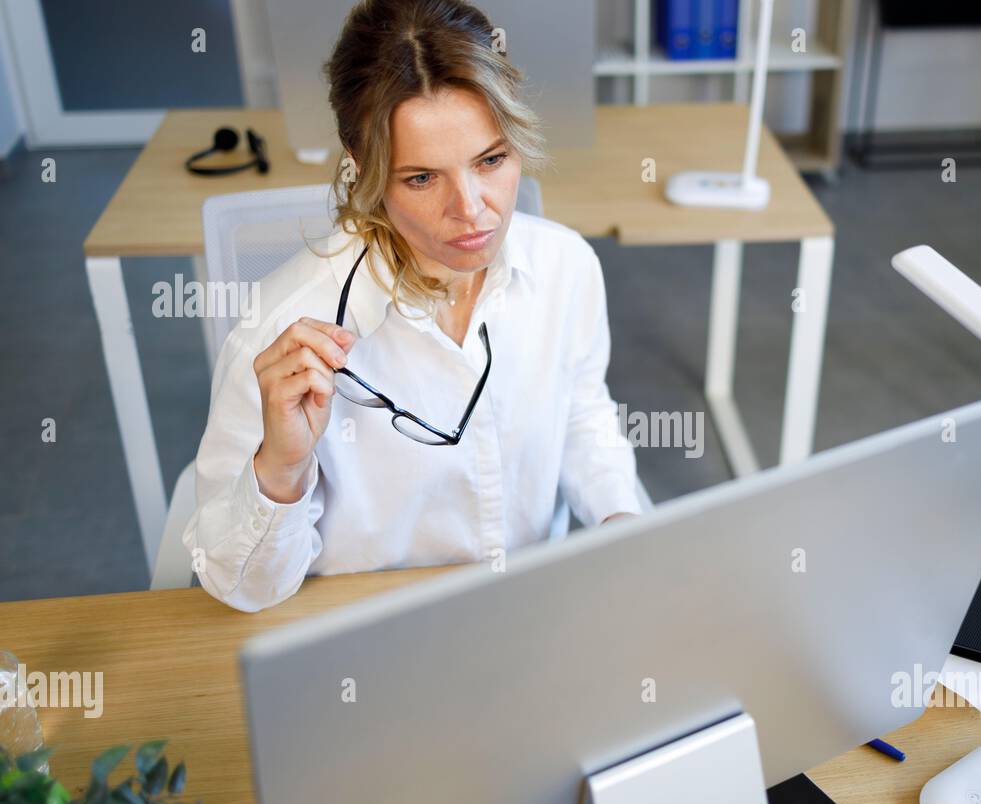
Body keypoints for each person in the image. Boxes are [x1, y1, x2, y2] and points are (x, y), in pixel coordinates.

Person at [184, 0, 640, 612]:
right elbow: (242, 589)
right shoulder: (280, 330)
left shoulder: (566, 266)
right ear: (360, 167)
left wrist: (619, 516)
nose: (474, 210)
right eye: (422, 178)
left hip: (531, 612)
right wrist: (281, 469)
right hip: (364, 636)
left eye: (491, 160)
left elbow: (582, 412)